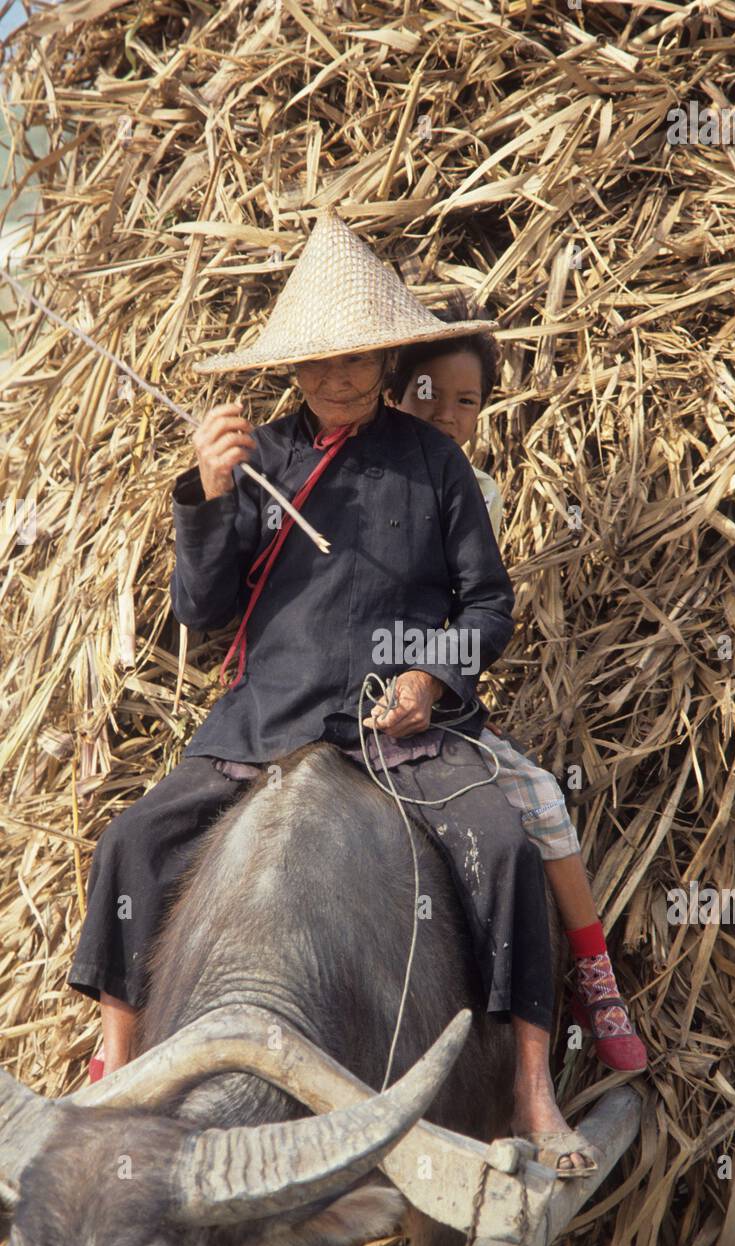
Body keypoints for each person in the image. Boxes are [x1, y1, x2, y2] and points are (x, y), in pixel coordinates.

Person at [71, 210, 600, 1174]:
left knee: (511, 852)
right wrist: (211, 490)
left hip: (403, 736)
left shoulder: (433, 461)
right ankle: (118, 1068)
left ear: (383, 354)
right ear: (292, 369)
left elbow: (488, 604)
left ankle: (530, 1085)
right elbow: (204, 613)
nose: (338, 379)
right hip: (264, 723)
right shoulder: (261, 459)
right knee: (129, 844)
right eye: (317, 365)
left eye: (355, 359)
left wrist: (429, 674)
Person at [386, 300, 647, 1071]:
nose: (449, 414)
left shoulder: (474, 491)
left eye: (469, 401)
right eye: (429, 394)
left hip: (434, 697)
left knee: (538, 798)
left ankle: (593, 976)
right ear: (394, 393)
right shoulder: (349, 472)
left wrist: (433, 674)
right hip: (335, 687)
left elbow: (481, 603)